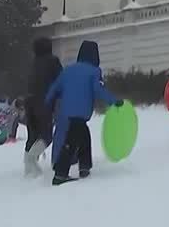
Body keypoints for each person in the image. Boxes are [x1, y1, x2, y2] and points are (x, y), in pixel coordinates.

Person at [44, 40, 122, 185]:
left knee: (83, 135)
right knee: (71, 141)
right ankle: (60, 174)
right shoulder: (94, 71)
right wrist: (113, 101)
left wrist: (47, 102)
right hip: (80, 112)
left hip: (67, 110)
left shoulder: (68, 70)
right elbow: (98, 89)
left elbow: (55, 87)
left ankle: (85, 166)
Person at [23, 37, 63, 177]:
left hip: (29, 101)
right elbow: (60, 80)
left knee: (32, 135)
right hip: (43, 101)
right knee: (46, 136)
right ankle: (32, 159)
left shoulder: (33, 63)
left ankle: (28, 168)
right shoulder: (53, 61)